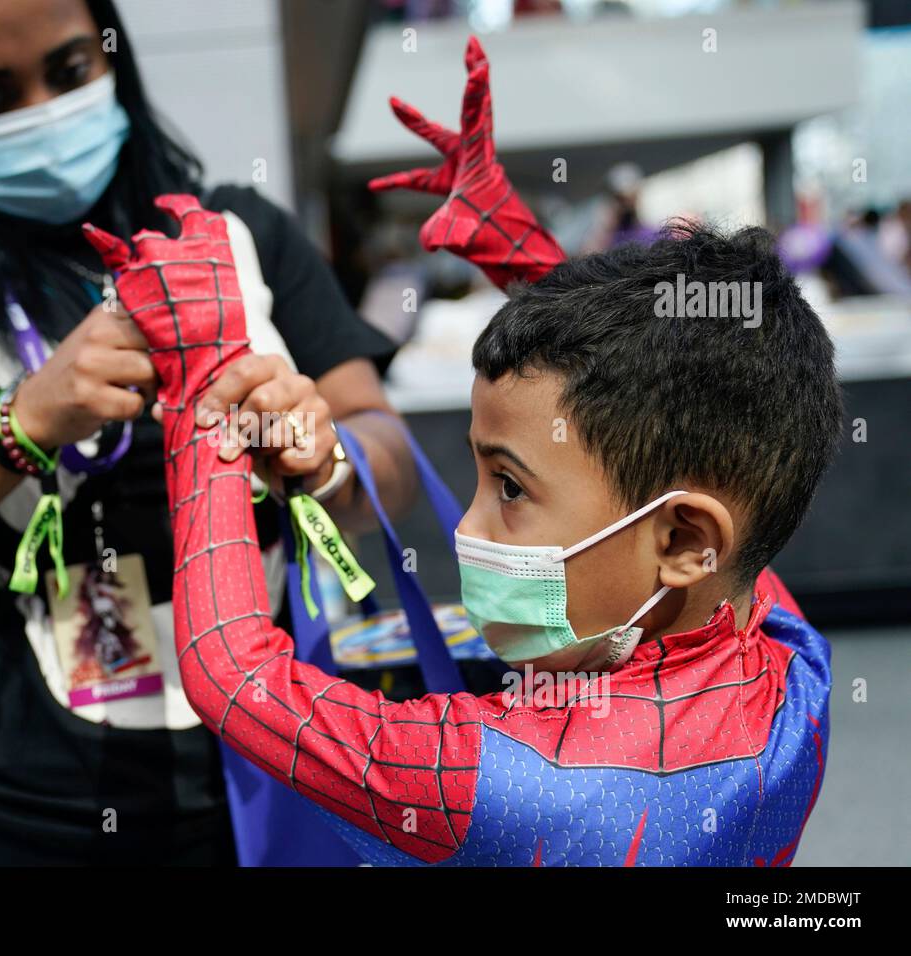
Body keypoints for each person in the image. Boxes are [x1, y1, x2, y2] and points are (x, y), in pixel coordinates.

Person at [86, 38, 838, 866]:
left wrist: (201, 388)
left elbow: (237, 677)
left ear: (684, 541)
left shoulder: (508, 781)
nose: (465, 526)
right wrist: (513, 248)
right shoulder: (786, 664)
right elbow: (673, 405)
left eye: (509, 488)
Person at [0, 0, 418, 865]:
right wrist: (17, 422)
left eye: (68, 73)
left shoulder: (240, 232)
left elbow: (385, 456)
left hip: (270, 772)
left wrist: (329, 461)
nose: (43, 114)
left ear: (112, 60)